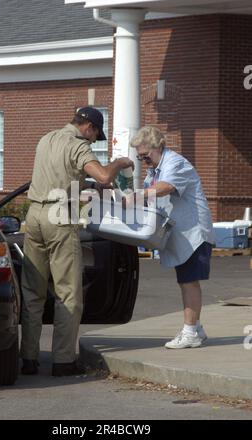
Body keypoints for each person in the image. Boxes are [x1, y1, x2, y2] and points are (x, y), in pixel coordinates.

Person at [20, 106, 134, 375]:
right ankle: (63, 361)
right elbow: (105, 176)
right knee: (68, 293)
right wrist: (119, 163)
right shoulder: (79, 146)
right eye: (96, 136)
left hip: (33, 216)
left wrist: (89, 186)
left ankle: (28, 358)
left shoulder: (46, 138)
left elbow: (63, 179)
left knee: (32, 292)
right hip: (59, 218)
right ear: (89, 128)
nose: (94, 141)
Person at [130, 126, 215, 349]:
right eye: (140, 157)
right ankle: (195, 328)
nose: (143, 160)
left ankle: (191, 334)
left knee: (189, 282)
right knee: (184, 281)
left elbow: (165, 188)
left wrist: (136, 196)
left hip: (193, 233)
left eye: (145, 155)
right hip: (181, 234)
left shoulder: (175, 163)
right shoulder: (156, 168)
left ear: (157, 147)